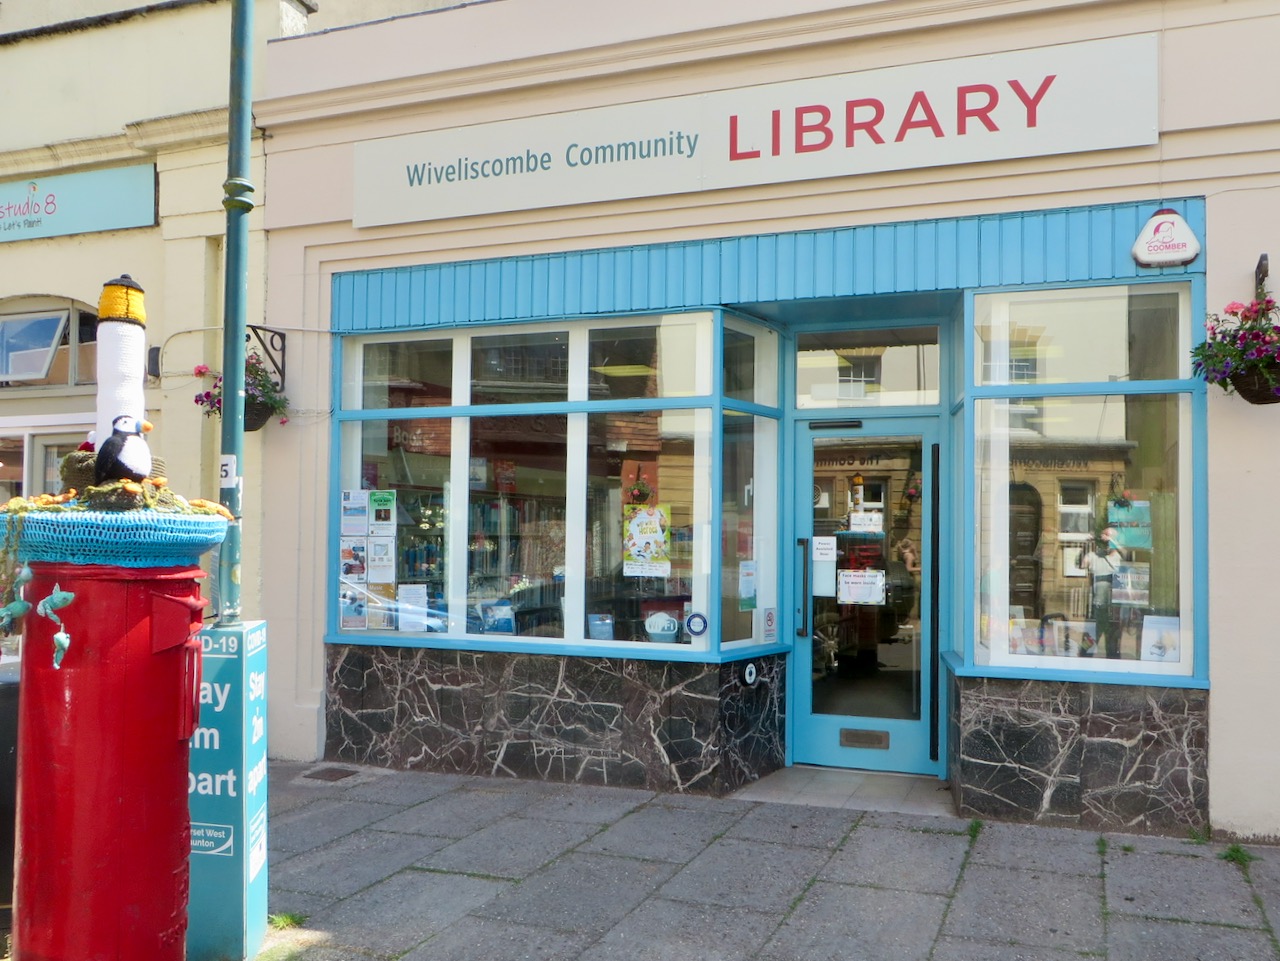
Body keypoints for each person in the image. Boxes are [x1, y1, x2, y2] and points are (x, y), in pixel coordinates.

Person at [1077, 527, 1124, 658]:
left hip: (1114, 609)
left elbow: (1129, 557)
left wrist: (1114, 543)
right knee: (1088, 643)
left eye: (1108, 537)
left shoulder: (1120, 557)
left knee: (1113, 645)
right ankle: (1083, 667)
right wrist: (1086, 545)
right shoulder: (1094, 556)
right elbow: (1081, 564)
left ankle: (1113, 672)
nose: (1105, 540)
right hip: (1096, 609)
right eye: (1102, 537)